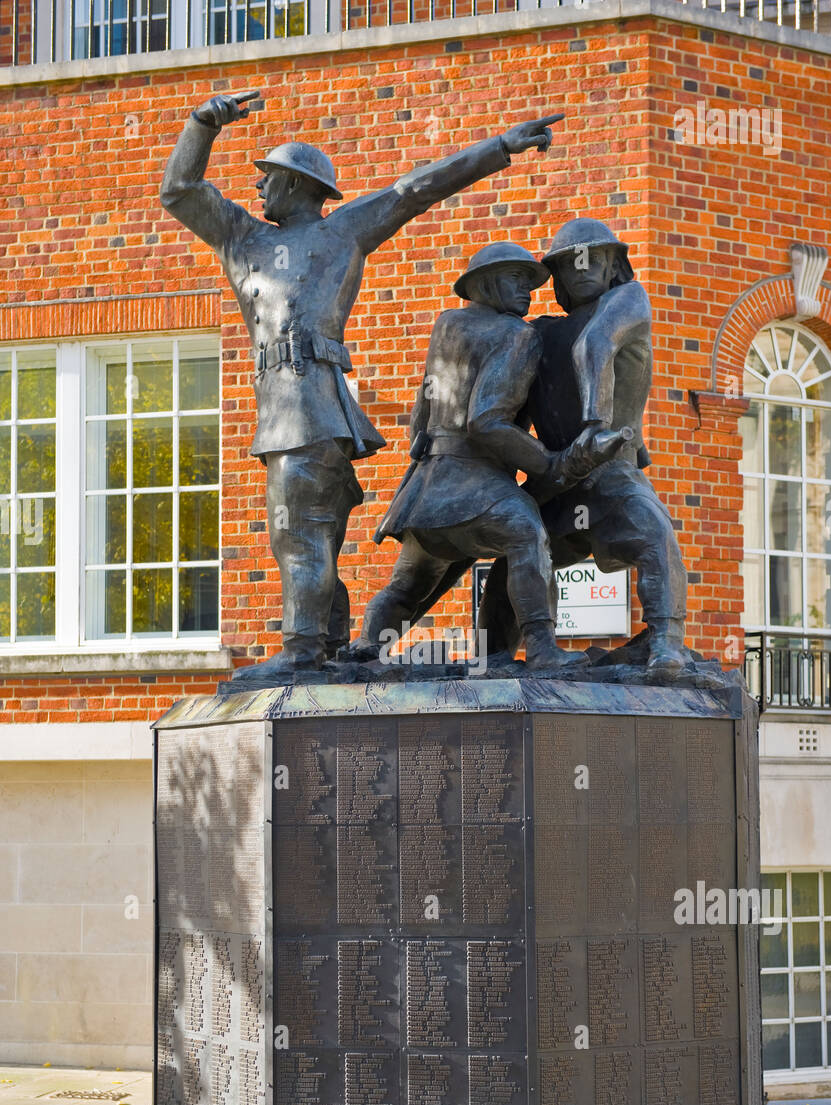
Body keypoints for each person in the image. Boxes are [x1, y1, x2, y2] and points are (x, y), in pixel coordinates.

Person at [160, 90, 564, 678]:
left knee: (298, 538)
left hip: (304, 413)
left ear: (298, 186)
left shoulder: (340, 232)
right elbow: (180, 191)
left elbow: (416, 189)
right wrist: (202, 124)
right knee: (308, 540)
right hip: (300, 416)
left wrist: (498, 148)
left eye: (267, 177)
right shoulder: (241, 236)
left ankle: (302, 654)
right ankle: (325, 646)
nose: (257, 188)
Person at [346, 243, 596, 671]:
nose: (528, 290)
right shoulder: (517, 335)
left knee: (407, 588)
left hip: (427, 487)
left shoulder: (447, 325)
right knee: (526, 535)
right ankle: (541, 646)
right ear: (485, 283)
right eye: (516, 279)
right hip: (478, 485)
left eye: (529, 281)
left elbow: (418, 424)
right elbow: (488, 420)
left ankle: (366, 647)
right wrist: (549, 463)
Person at [478, 217, 689, 680]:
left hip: (608, 465)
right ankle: (492, 656)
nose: (582, 267)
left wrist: (595, 425)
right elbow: (507, 409)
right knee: (517, 560)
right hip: (558, 476)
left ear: (615, 263)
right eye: (570, 264)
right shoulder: (542, 332)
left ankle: (667, 642)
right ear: (556, 278)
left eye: (595, 257)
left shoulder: (627, 299)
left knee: (653, 533)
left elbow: (596, 344)